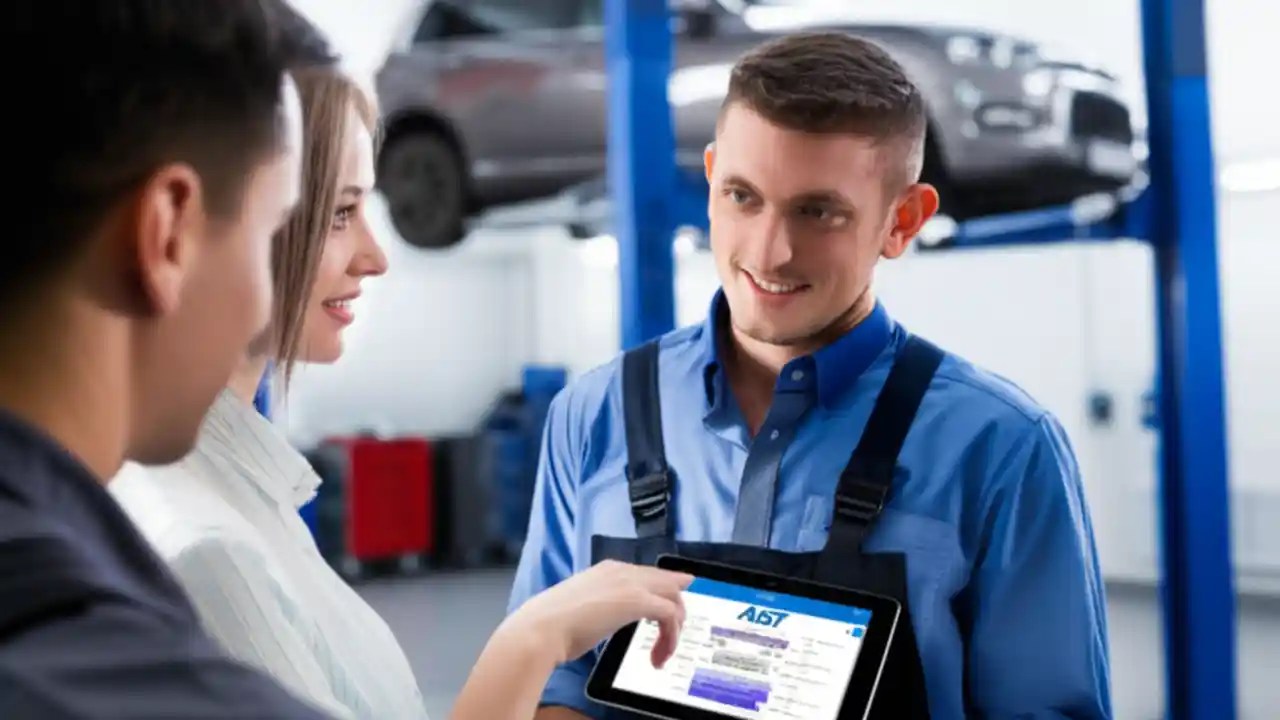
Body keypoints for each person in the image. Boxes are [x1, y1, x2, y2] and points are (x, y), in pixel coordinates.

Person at [1, 2, 690, 718]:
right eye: (296, 217)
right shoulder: (206, 556)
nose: (375, 256)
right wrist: (533, 641)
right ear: (168, 232)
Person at [509, 31, 1112, 720]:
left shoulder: (1001, 450)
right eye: (742, 196)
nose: (771, 251)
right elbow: (550, 681)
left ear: (902, 220)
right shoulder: (595, 414)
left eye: (818, 211)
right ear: (710, 180)